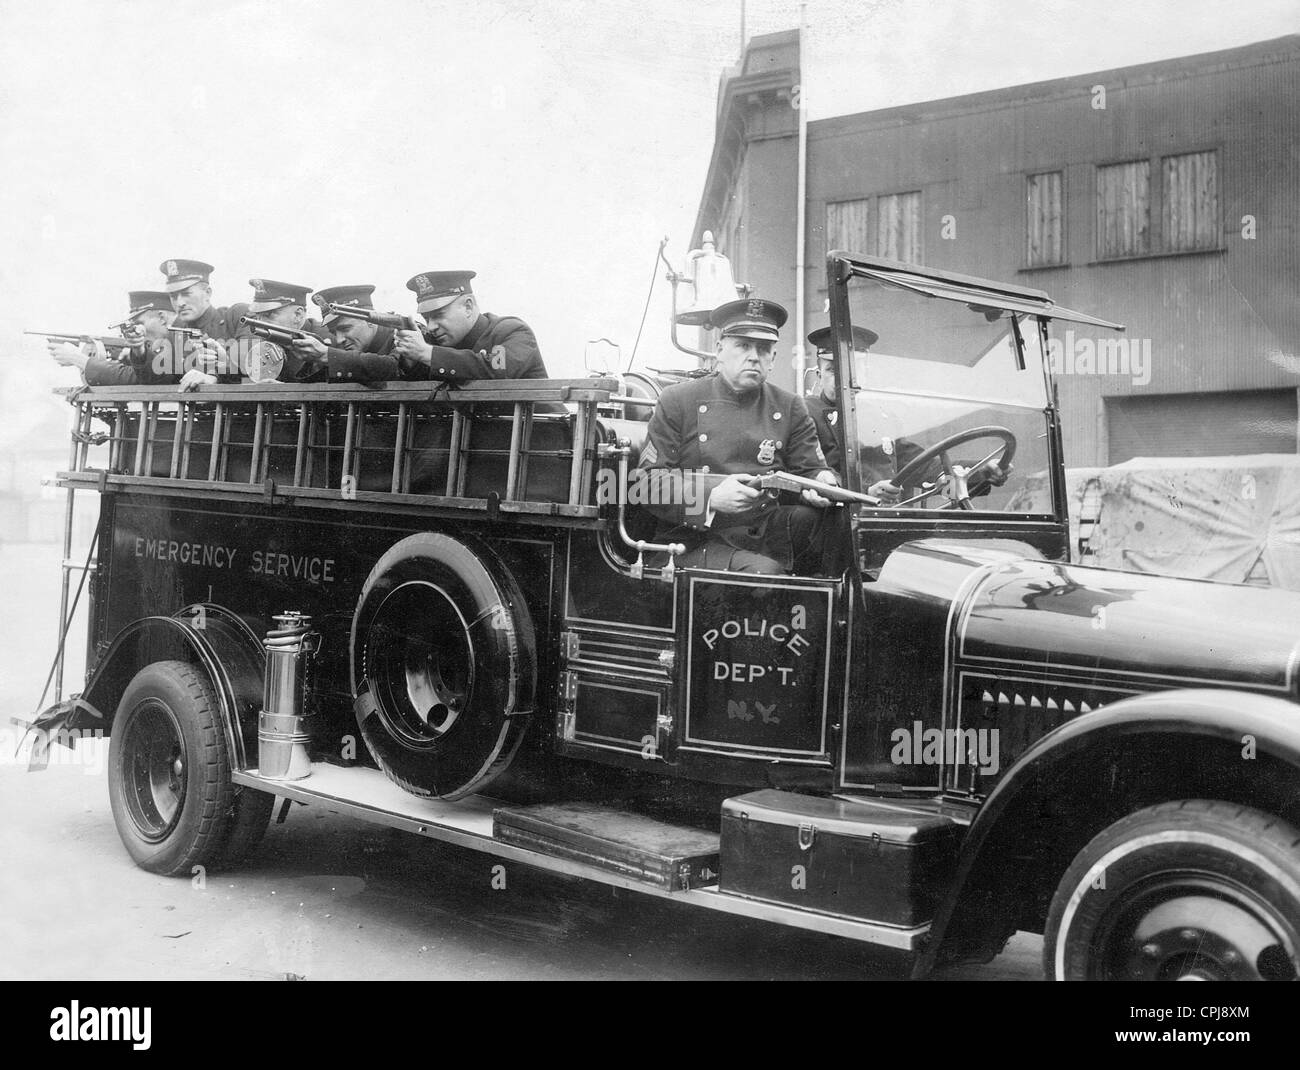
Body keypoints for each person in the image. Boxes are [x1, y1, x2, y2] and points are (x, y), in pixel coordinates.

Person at [636, 298, 843, 575]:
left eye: (764, 348)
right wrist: (710, 497)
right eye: (743, 346)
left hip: (764, 529)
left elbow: (812, 468)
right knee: (766, 575)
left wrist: (823, 482)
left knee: (838, 525)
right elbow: (646, 482)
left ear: (773, 358)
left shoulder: (789, 405)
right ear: (719, 350)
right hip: (693, 540)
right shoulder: (679, 400)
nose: (754, 356)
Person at [804, 324, 1011, 506]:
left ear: (864, 373)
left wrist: (978, 473)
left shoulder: (882, 418)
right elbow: (812, 474)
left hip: (889, 520)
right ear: (819, 375)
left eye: (853, 369)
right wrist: (866, 494)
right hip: (839, 524)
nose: (843, 378)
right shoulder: (805, 414)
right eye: (832, 369)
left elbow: (922, 468)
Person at [391, 271, 549, 382]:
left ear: (468, 306)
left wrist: (426, 353)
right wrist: (411, 360)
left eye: (439, 315)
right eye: (426, 319)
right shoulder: (436, 343)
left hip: (539, 428)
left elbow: (496, 369)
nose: (431, 327)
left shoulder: (512, 331)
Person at [49, 290, 176, 385]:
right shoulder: (164, 345)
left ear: (162, 318)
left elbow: (136, 378)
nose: (136, 330)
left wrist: (80, 360)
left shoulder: (180, 343)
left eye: (140, 323)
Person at [158, 259, 250, 389]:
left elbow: (252, 362)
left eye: (186, 294)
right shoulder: (177, 331)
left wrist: (214, 376)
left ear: (208, 293)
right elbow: (161, 376)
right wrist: (140, 353)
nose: (179, 303)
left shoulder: (234, 318)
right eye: (173, 297)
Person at [290, 284, 401, 382]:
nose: (339, 339)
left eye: (345, 329)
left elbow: (393, 367)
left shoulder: (402, 333)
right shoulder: (349, 349)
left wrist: (327, 355)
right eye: (334, 332)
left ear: (370, 320)